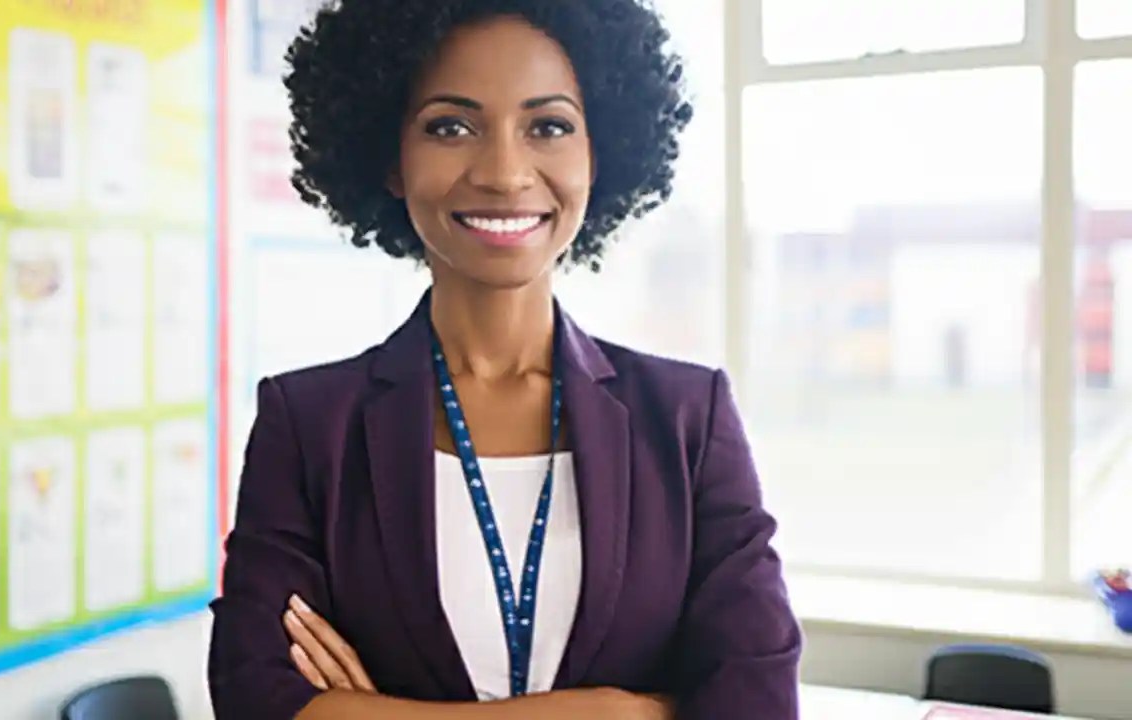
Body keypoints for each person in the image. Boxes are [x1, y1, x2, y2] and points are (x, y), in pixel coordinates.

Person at [208, 1, 801, 718]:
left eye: (548, 126)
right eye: (450, 126)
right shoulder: (306, 425)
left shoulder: (687, 418)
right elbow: (254, 698)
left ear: (599, 151)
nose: (503, 171)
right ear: (391, 160)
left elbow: (758, 702)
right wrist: (623, 712)